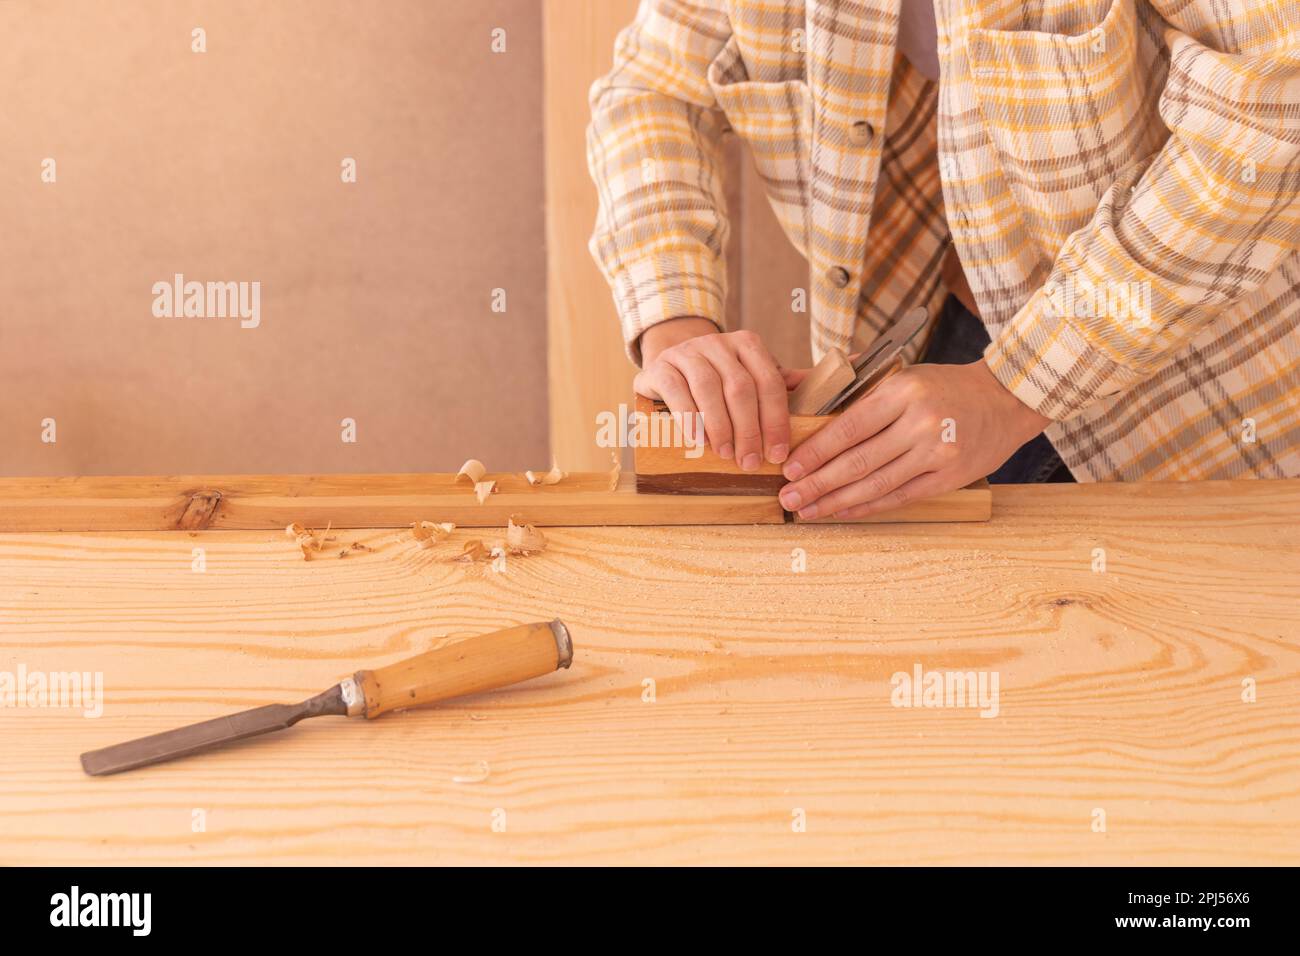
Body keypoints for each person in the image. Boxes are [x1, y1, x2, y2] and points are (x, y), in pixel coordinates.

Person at [586, 0, 1300, 520]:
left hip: (1202, 386)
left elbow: (1273, 115)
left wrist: (1015, 388)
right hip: (935, 351)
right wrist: (675, 320)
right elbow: (652, 90)